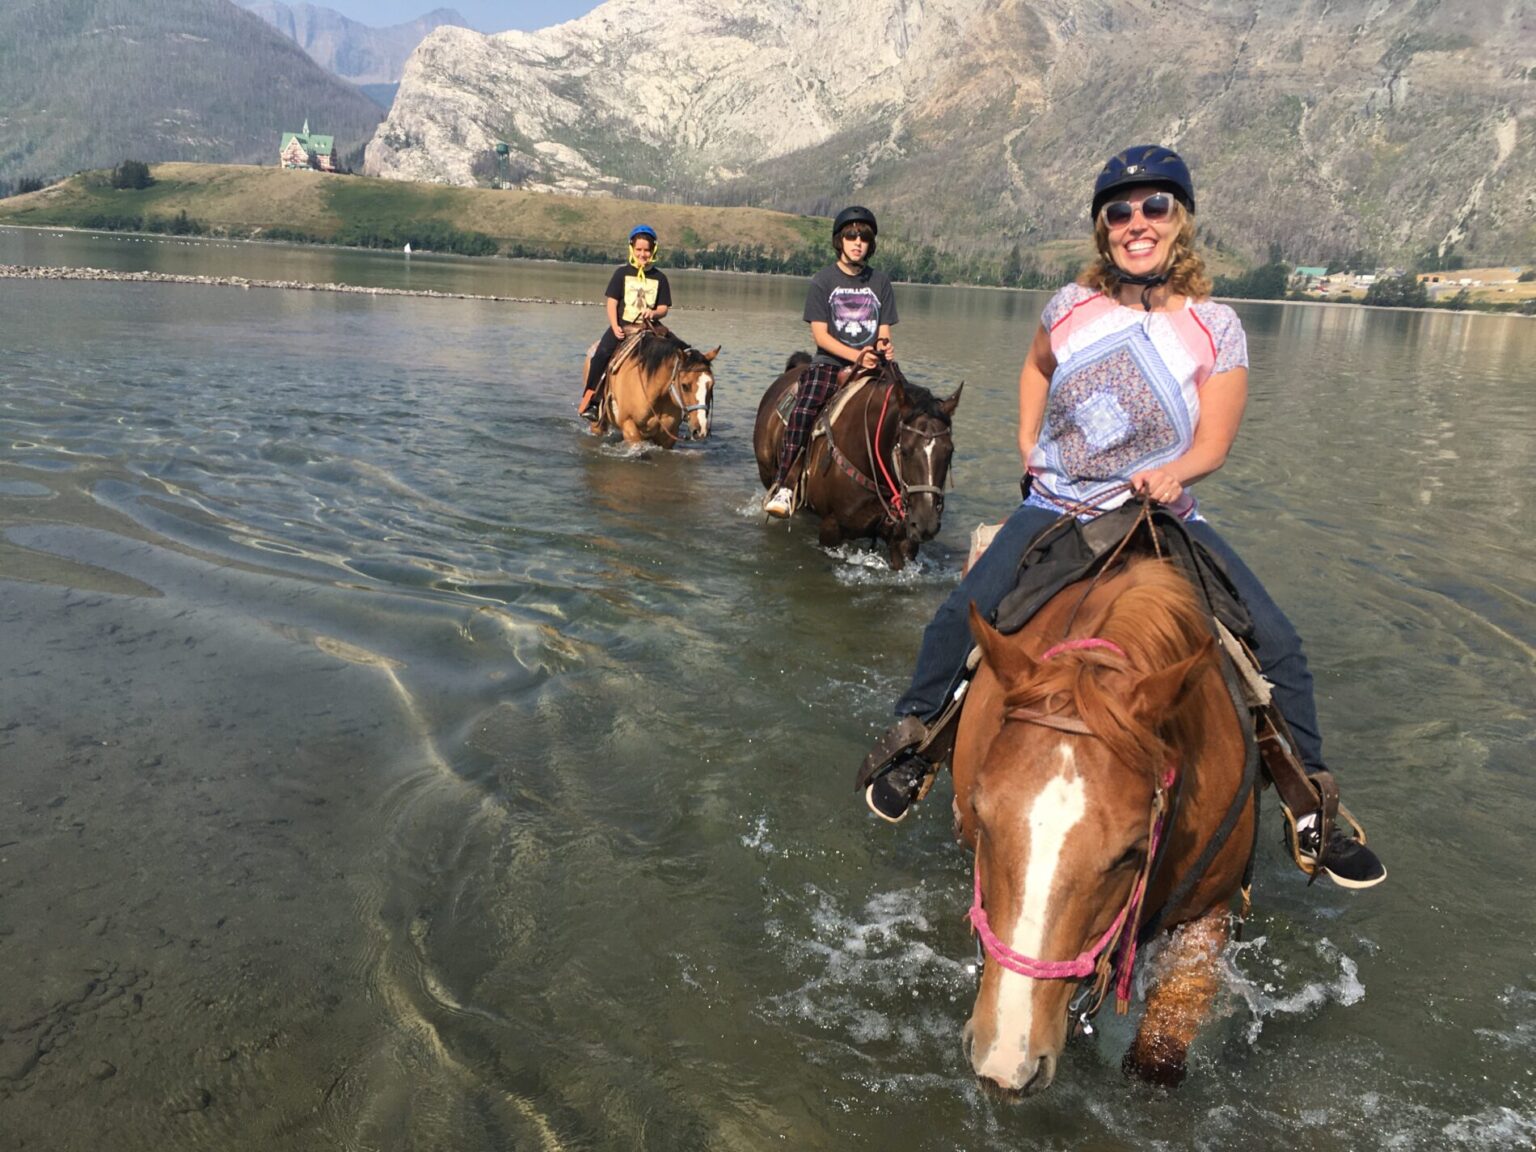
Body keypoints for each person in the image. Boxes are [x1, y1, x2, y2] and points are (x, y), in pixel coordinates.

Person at [858, 145, 1385, 889]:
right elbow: (1036, 367)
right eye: (1120, 212)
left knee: (1277, 642)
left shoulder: (1216, 327)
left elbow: (1216, 441)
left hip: (1158, 512)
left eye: (1155, 207)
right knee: (958, 617)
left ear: (1181, 221)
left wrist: (1177, 471)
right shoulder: (1070, 308)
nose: (1137, 222)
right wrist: (1025, 439)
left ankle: (1312, 806)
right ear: (1103, 230)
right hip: (1057, 503)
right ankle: (916, 744)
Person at [763, 206, 898, 516]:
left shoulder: (880, 282)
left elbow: (884, 330)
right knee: (804, 409)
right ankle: (785, 484)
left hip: (873, 364)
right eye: (851, 235)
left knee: (908, 410)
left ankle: (900, 492)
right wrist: (857, 356)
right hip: (831, 363)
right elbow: (820, 337)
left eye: (864, 237)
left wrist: (884, 348)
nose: (857, 242)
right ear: (840, 240)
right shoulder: (824, 280)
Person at [579, 225, 672, 421]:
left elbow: (664, 308)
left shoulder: (660, 278)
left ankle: (677, 405)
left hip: (649, 329)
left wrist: (654, 312)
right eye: (639, 249)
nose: (643, 254)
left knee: (676, 354)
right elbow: (612, 303)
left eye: (647, 250)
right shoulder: (621, 274)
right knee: (601, 354)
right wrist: (614, 326)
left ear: (653, 250)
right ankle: (592, 401)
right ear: (632, 249)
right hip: (623, 326)